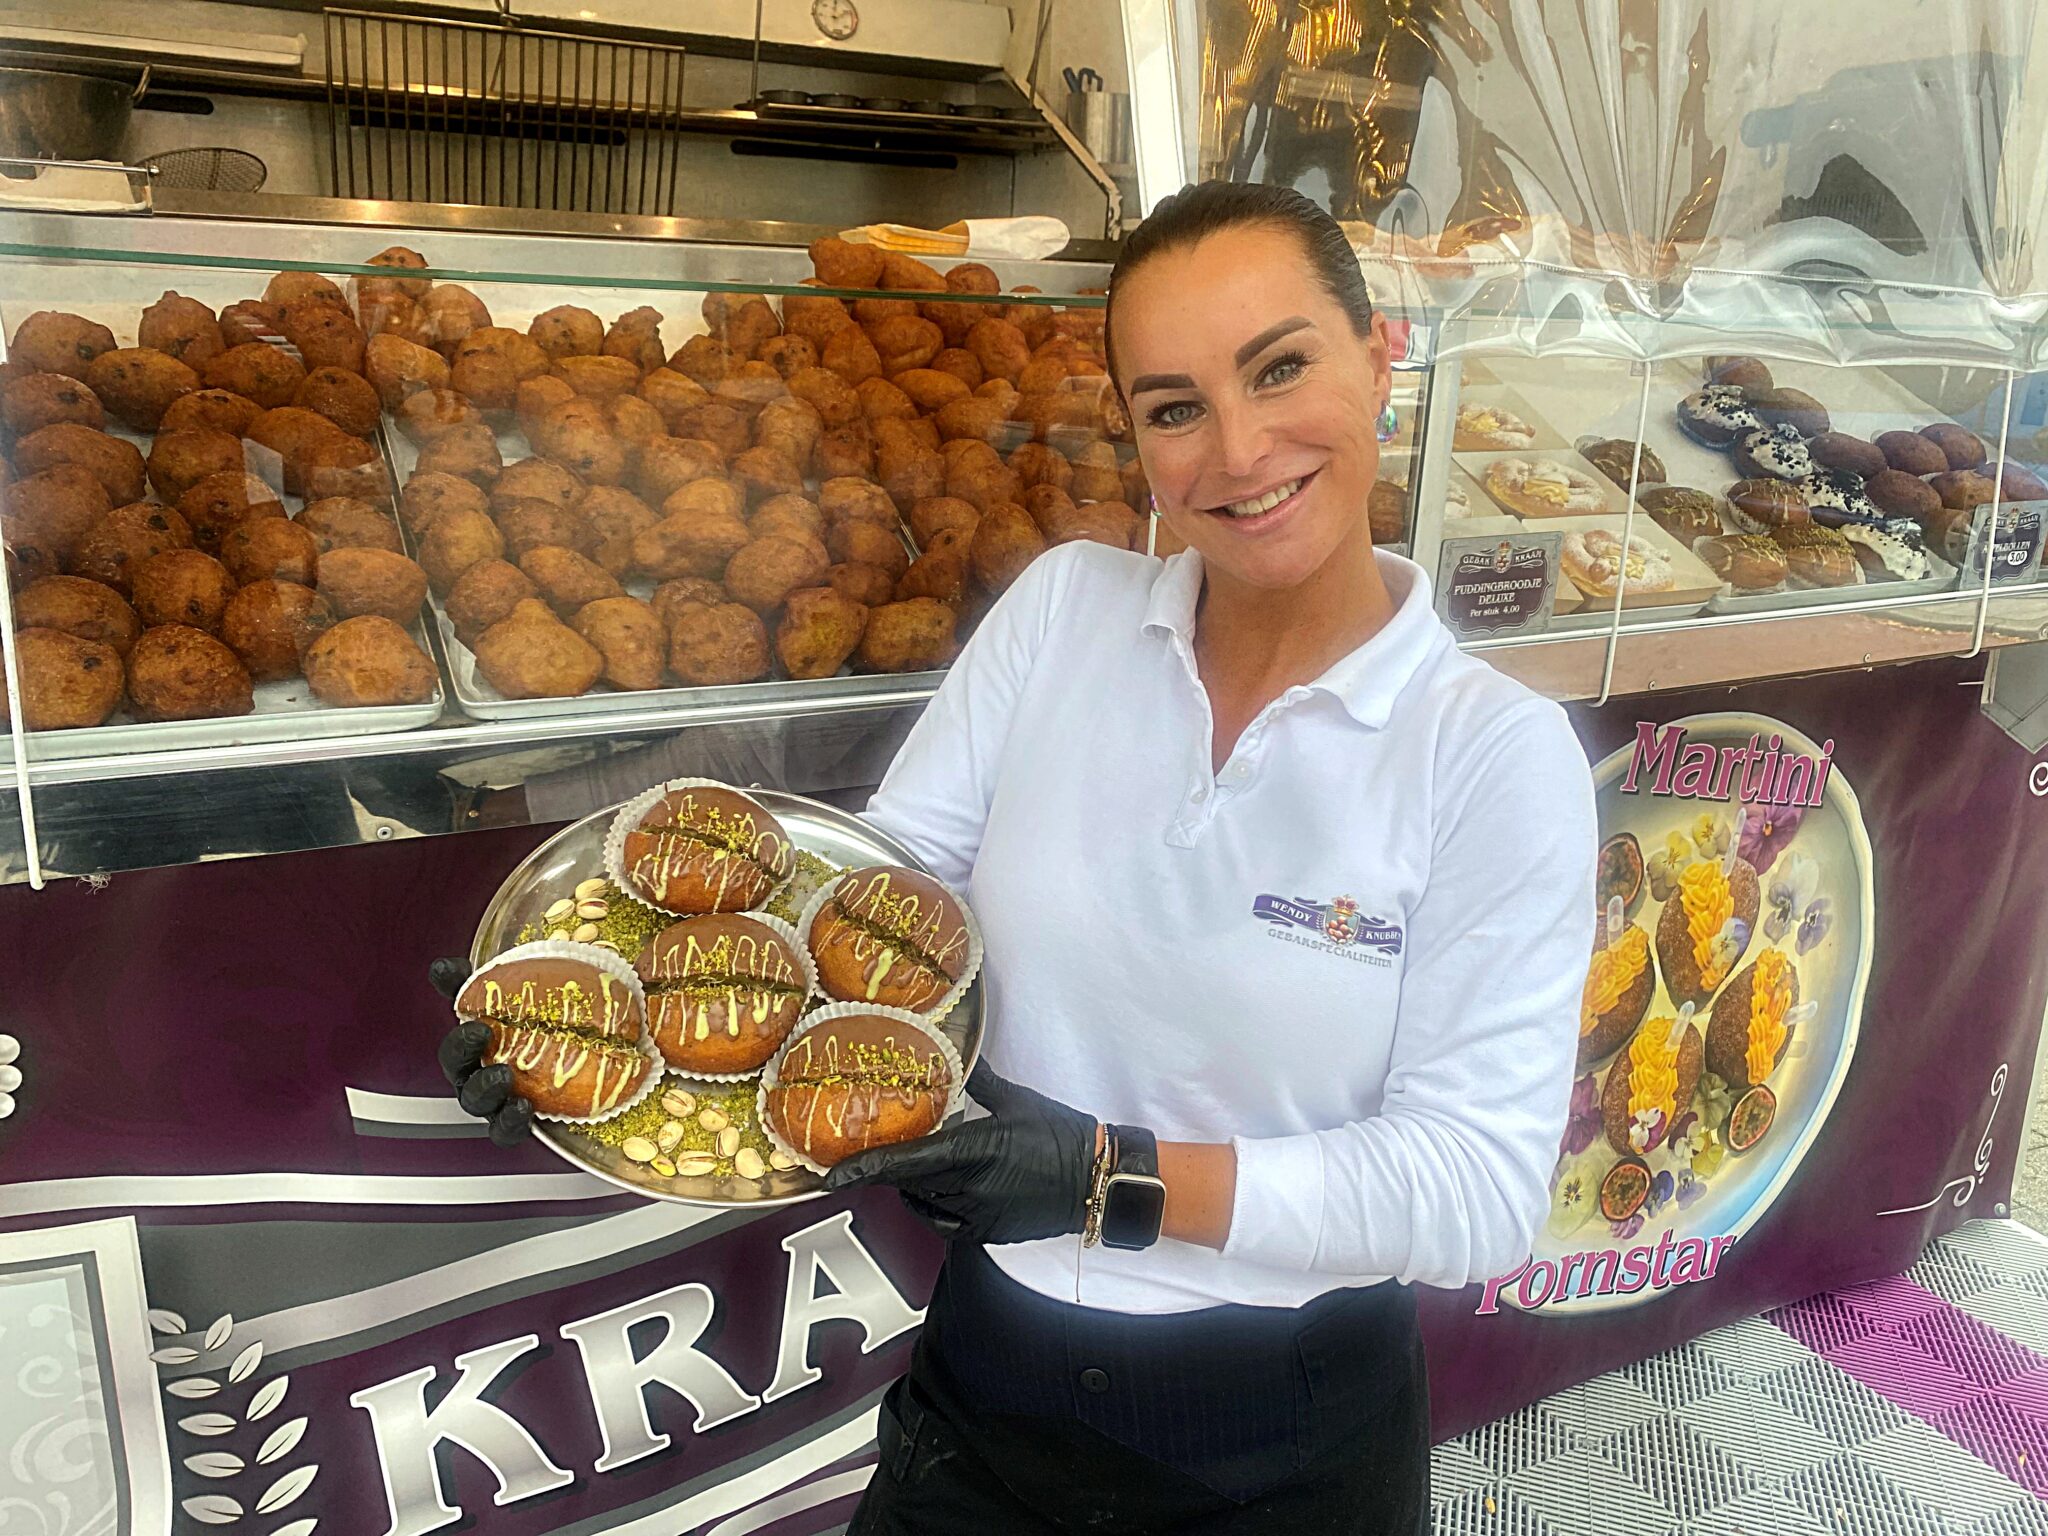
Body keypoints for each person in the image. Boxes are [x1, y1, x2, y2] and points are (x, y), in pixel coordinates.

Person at [437, 180, 1597, 1533]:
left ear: (1380, 357)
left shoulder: (1492, 757)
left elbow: (1477, 1190)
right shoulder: (1065, 614)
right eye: (1174, 407)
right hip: (989, 1384)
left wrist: (1112, 1178)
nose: (1236, 450)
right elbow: (880, 898)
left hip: (1285, 1446)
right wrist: (589, 982)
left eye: (1279, 369)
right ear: (1137, 439)